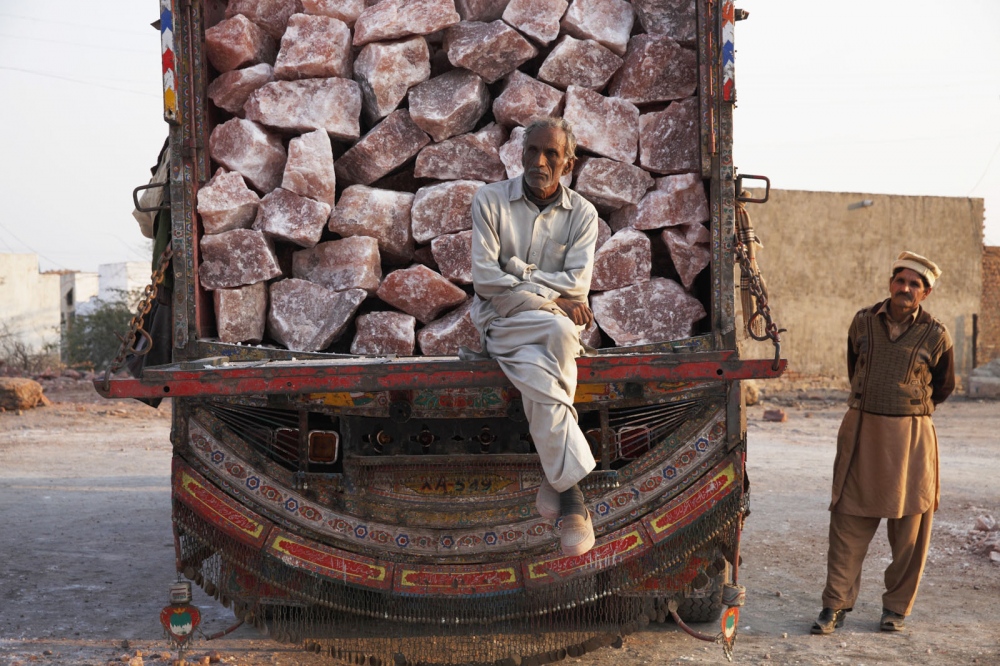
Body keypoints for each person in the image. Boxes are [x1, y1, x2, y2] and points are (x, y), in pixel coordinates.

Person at [469, 118, 599, 557]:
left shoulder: (583, 214)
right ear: (520, 152)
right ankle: (572, 496)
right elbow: (487, 281)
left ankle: (557, 478)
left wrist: (520, 273)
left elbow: (577, 288)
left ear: (569, 163)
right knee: (561, 328)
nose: (539, 161)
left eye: (551, 154)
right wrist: (552, 298)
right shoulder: (489, 201)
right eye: (532, 151)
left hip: (543, 326)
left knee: (558, 337)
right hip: (502, 321)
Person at [812, 251, 955, 635]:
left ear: (925, 293)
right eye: (901, 280)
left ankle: (895, 609)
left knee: (911, 526)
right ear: (891, 283)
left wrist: (908, 412)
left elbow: (944, 386)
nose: (905, 289)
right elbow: (853, 366)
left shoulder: (937, 333)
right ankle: (835, 606)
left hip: (911, 438)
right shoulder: (862, 322)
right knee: (847, 520)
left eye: (915, 284)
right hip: (862, 429)